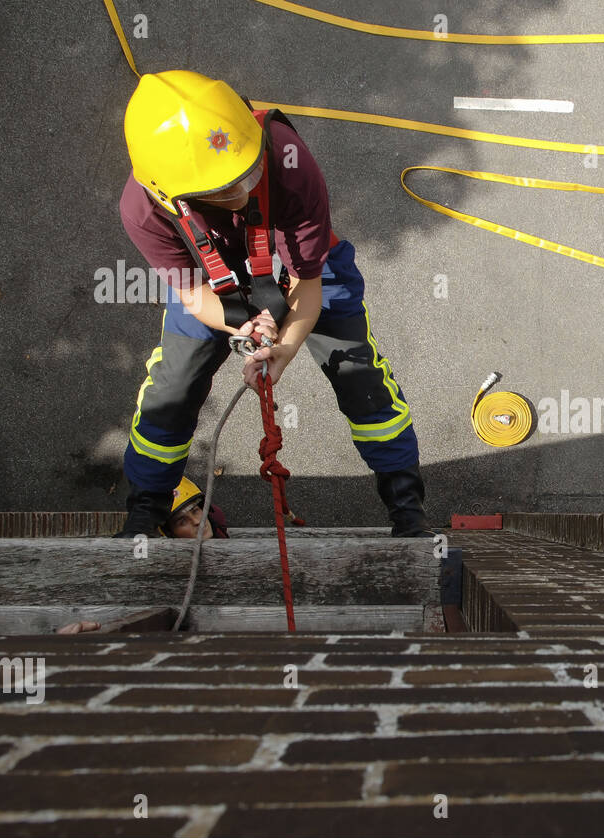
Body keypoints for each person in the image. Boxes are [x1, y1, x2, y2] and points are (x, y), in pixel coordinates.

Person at [113, 70, 432, 538]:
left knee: (358, 375)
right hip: (212, 281)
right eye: (223, 189)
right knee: (171, 391)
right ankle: (145, 511)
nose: (242, 192)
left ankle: (407, 508)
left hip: (301, 267)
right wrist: (241, 328)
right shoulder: (143, 209)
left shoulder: (285, 155)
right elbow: (192, 295)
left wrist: (283, 348)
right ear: (169, 195)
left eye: (249, 173)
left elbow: (308, 280)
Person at [163, 477, 229, 539]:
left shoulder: (218, 520)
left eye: (195, 511)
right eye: (183, 522)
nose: (196, 521)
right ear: (169, 533)